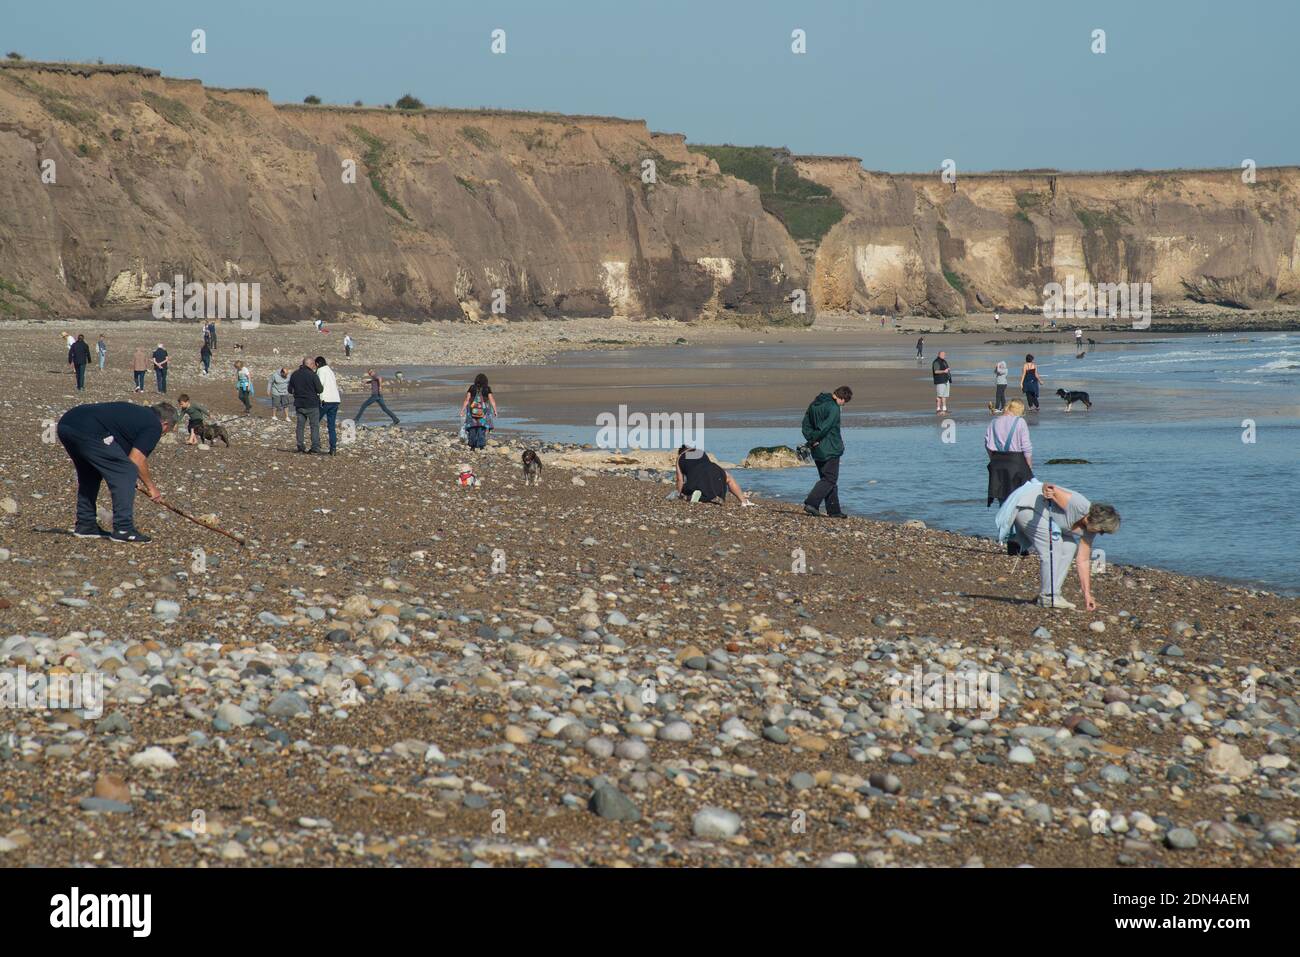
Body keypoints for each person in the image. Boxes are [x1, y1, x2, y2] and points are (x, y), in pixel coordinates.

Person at [56, 400, 175, 543]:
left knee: (90, 473)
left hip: (67, 422)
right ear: (165, 424)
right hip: (88, 429)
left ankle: (86, 524)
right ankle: (123, 529)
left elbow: (120, 453)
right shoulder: (154, 426)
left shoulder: (137, 416)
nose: (163, 435)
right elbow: (135, 461)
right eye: (167, 432)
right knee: (127, 471)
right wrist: (152, 488)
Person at [1006, 482, 1120, 610]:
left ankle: (1053, 592)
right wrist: (1046, 490)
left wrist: (1087, 595)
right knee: (1053, 546)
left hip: (1045, 519)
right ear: (1097, 520)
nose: (1101, 534)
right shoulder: (1079, 504)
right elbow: (1048, 486)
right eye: (1102, 530)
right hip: (1027, 509)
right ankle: (1048, 596)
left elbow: (1083, 561)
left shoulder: (1090, 530)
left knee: (1070, 546)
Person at [801, 385, 852, 518]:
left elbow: (805, 425)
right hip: (830, 448)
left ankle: (834, 510)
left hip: (817, 448)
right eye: (844, 402)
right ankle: (812, 503)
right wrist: (814, 439)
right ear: (842, 398)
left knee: (828, 479)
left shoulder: (814, 404)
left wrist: (810, 439)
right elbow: (825, 427)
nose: (843, 405)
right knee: (830, 479)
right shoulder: (834, 407)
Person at [985, 399, 1033, 507]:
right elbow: (1026, 447)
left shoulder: (993, 422)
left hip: (997, 463)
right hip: (1016, 463)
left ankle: (1004, 523)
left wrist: (993, 458)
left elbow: (987, 444)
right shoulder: (1020, 422)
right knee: (1018, 500)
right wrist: (1029, 465)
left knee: (1003, 501)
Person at [675, 446, 753, 506]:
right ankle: (744, 502)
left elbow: (679, 479)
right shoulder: (700, 452)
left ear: (681, 452)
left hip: (696, 474)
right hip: (713, 467)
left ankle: (694, 495)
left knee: (689, 487)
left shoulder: (680, 458)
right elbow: (707, 467)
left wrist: (679, 493)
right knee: (729, 478)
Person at [289, 357, 323, 453]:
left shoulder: (295, 374)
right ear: (311, 364)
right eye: (313, 365)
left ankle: (300, 446)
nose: (314, 367)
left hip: (299, 404)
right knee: (314, 426)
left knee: (300, 426)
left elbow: (290, 390)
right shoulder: (312, 375)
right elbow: (320, 389)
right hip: (312, 404)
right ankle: (315, 447)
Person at [460, 373, 497, 450]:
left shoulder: (472, 387)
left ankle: (472, 446)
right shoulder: (487, 388)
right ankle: (481, 446)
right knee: (481, 428)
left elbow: (467, 399)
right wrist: (495, 410)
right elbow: (492, 400)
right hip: (483, 413)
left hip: (472, 412)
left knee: (472, 428)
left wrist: (462, 410)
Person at [314, 356, 341, 454]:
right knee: (331, 426)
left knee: (315, 422)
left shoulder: (320, 370)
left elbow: (319, 385)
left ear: (317, 364)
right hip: (335, 399)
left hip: (325, 400)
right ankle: (333, 448)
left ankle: (316, 444)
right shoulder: (330, 371)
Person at [932, 350, 952, 414]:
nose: (944, 356)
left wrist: (948, 370)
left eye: (944, 355)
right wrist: (944, 371)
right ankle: (938, 409)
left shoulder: (944, 361)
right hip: (940, 381)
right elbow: (936, 371)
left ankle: (944, 409)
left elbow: (946, 369)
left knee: (944, 396)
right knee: (939, 396)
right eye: (942, 355)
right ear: (939, 355)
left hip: (946, 380)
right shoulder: (936, 362)